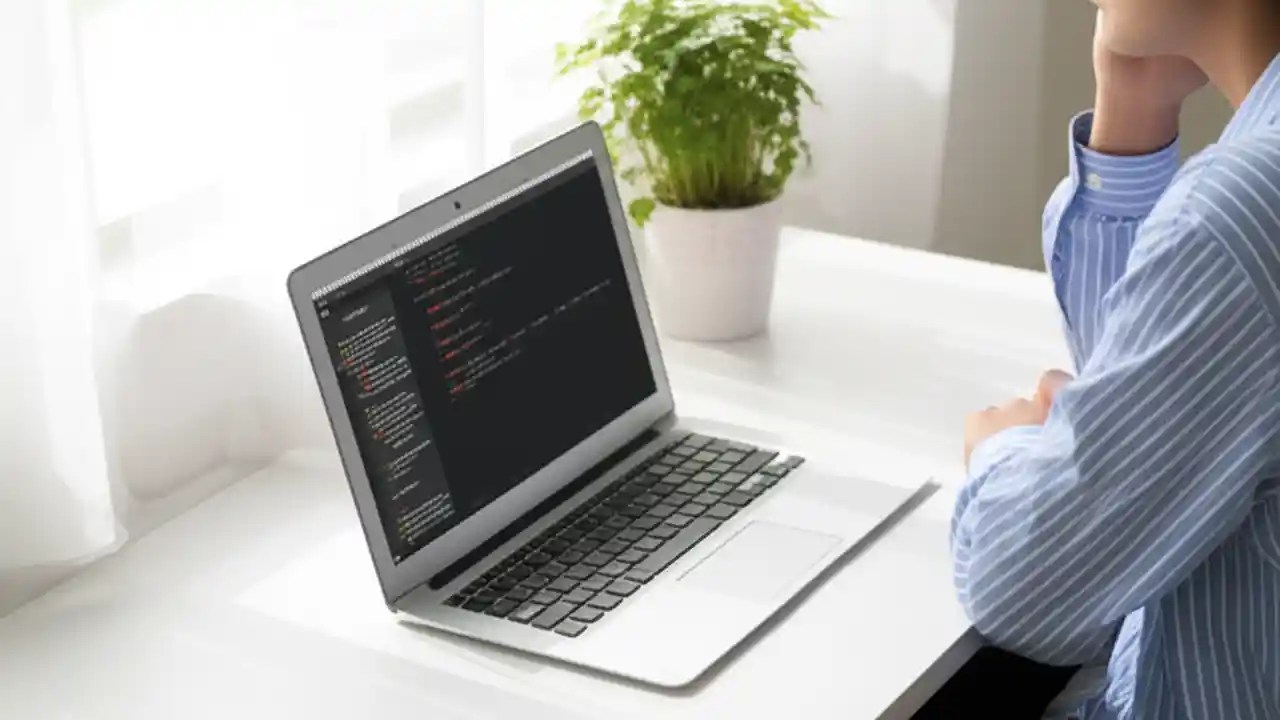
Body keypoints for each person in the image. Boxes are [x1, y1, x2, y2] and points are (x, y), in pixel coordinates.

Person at [951, 0, 1280, 718]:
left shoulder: (1247, 205)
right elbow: (1146, 419)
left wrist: (1004, 449)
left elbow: (1033, 588)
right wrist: (1131, 107)